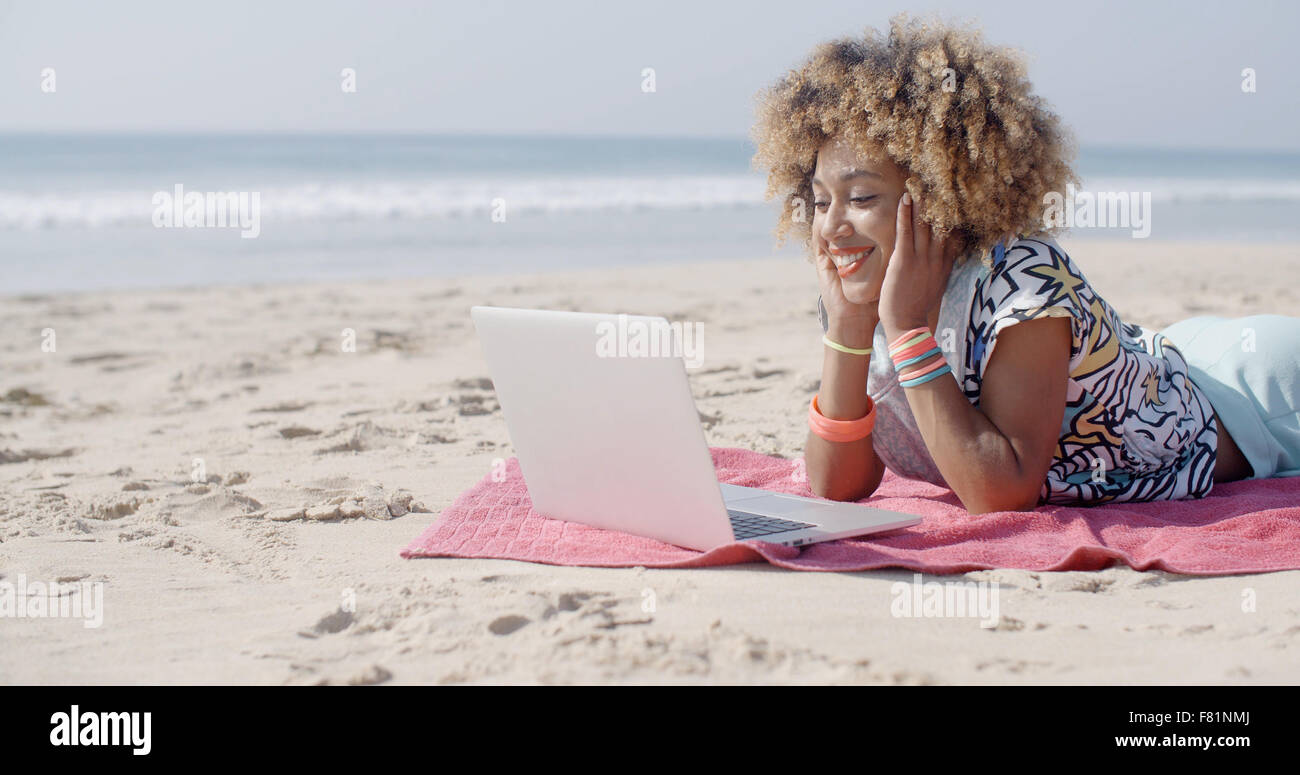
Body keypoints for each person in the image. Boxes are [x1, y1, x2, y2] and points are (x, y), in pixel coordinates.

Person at [750, 14, 1300, 512]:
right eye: (821, 201)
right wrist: (848, 330)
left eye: (862, 198)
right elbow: (839, 486)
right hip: (1168, 354)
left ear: (938, 197)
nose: (831, 226)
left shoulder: (1024, 280)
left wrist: (909, 330)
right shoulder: (864, 296)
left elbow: (999, 491)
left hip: (1257, 394)